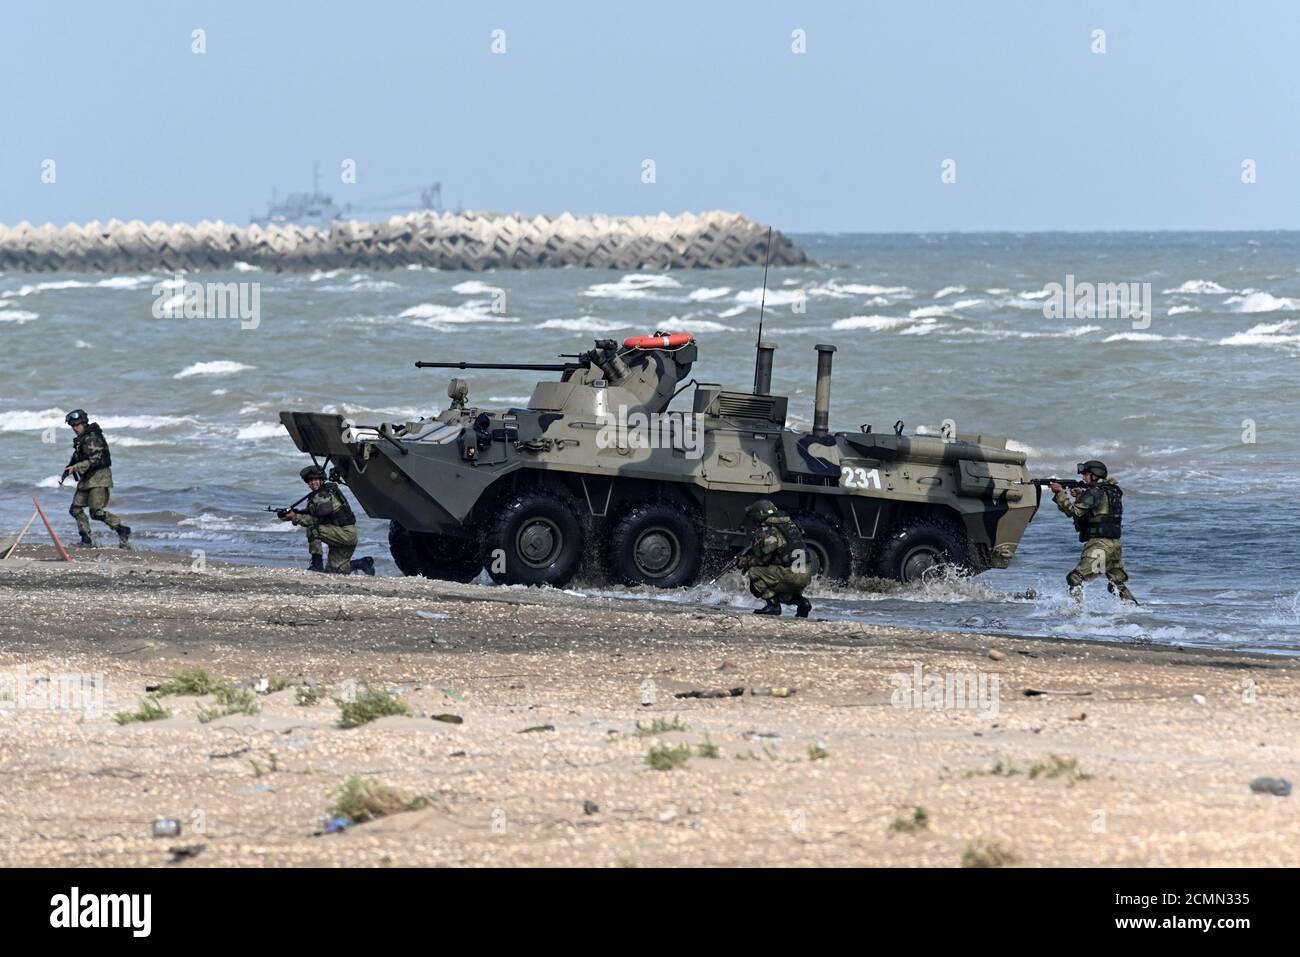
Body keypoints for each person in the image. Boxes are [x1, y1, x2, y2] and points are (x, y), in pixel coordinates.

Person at [1050, 460, 1138, 604]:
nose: (1083, 478)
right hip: (1114, 546)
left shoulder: (1095, 491)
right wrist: (1080, 495)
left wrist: (1060, 493)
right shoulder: (1111, 490)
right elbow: (1099, 510)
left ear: (1094, 475)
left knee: (1075, 578)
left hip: (1100, 545)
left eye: (1086, 475)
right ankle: (1136, 611)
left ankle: (1074, 612)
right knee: (1116, 584)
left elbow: (1074, 511)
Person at [279, 465, 374, 575]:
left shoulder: (324, 495)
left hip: (345, 534)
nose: (313, 483)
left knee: (313, 530)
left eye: (315, 479)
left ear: (321, 480)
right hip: (340, 533)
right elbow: (312, 511)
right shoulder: (321, 494)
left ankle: (316, 565)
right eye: (310, 481)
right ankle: (362, 563)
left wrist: (294, 517)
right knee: (335, 571)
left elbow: (315, 520)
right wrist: (296, 512)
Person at [62, 409, 131, 548]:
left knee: (96, 512)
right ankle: (86, 540)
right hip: (87, 478)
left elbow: (95, 459)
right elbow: (80, 457)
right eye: (73, 426)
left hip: (99, 478)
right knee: (75, 509)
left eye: (77, 425)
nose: (75, 429)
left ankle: (122, 529)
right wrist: (70, 468)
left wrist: (76, 467)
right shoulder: (82, 439)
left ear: (84, 423)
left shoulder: (92, 437)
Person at [738, 499, 813, 618]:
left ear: (760, 515)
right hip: (806, 572)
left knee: (755, 572)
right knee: (781, 591)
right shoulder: (791, 525)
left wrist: (747, 561)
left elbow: (765, 559)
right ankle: (802, 603)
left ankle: (773, 606)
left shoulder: (768, 530)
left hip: (791, 573)